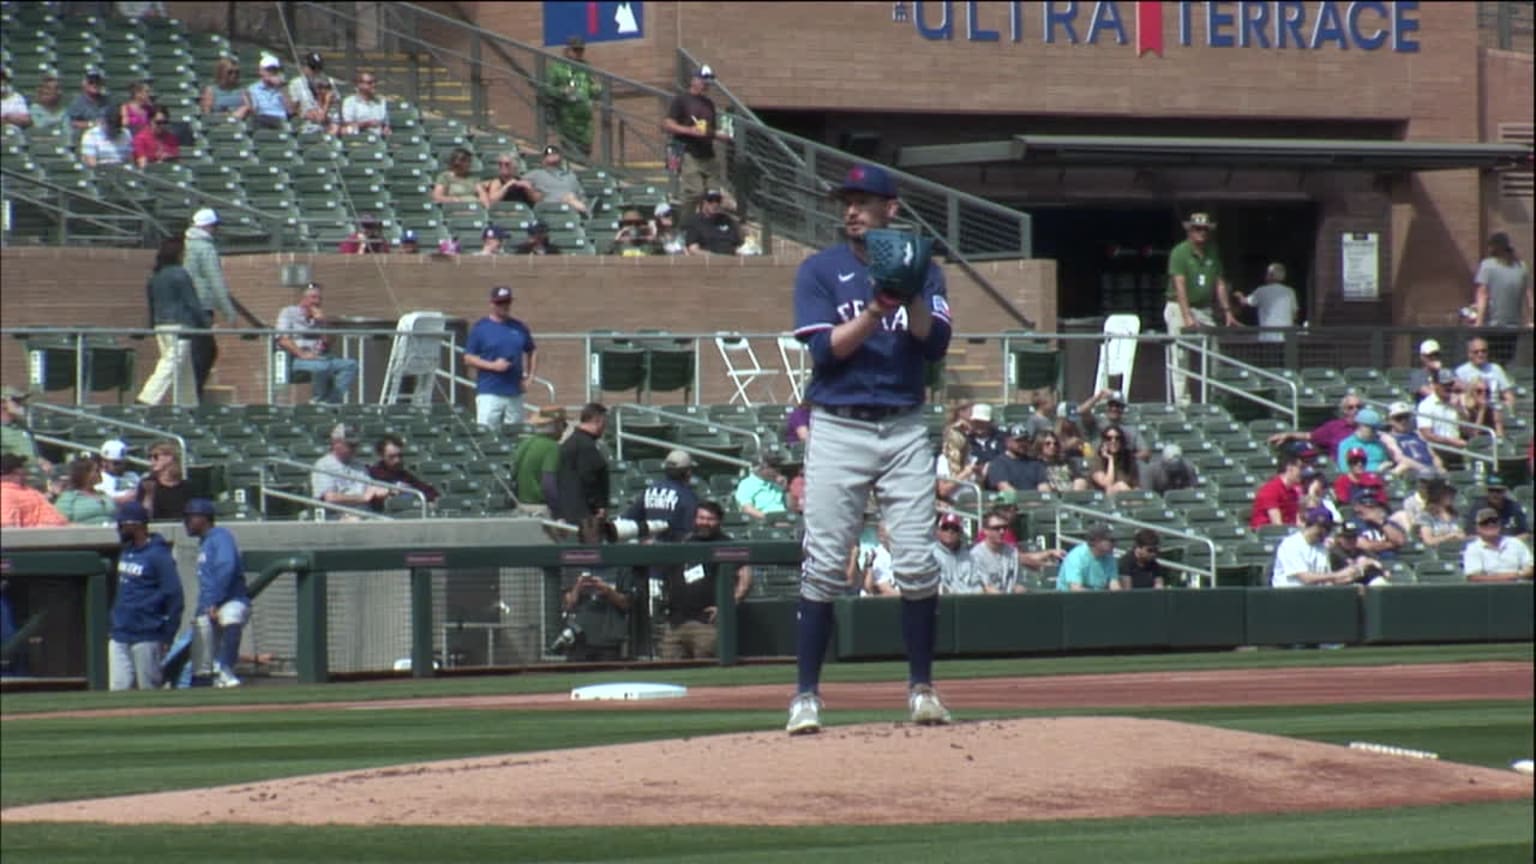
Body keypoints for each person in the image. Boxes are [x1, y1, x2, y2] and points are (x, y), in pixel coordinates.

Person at [787, 163, 954, 735]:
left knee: (916, 562)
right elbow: (825, 352)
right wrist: (878, 308)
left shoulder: (922, 266)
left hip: (904, 424)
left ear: (892, 208)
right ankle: (805, 695)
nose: (852, 210)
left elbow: (935, 346)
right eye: (847, 201)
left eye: (864, 200)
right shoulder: (820, 270)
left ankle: (923, 689)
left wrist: (910, 298)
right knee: (825, 564)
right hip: (838, 424)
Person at [661, 501, 752, 659]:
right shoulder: (684, 542)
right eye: (701, 518)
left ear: (719, 521)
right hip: (676, 622)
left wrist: (727, 605)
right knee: (669, 669)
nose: (705, 523)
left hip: (706, 623)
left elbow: (746, 578)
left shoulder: (727, 544)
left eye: (710, 519)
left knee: (707, 667)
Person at [109, 501, 184, 691]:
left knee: (149, 687)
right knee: (118, 687)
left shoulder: (159, 555)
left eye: (123, 524)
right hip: (120, 631)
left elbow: (174, 595)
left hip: (147, 632)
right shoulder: (126, 551)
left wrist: (168, 635)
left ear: (136, 525)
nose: (119, 529)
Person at [1165, 212, 1236, 405]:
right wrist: (1187, 316)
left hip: (1204, 308)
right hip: (1179, 306)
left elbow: (1219, 283)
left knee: (1213, 350)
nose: (1201, 233)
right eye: (1197, 229)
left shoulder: (1213, 251)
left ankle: (1214, 398)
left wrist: (1227, 311)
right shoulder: (1179, 252)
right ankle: (1183, 402)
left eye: (1204, 229)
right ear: (1189, 230)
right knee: (1181, 353)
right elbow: (1179, 284)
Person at [183, 498, 249, 688]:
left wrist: (216, 601)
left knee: (231, 617)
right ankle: (212, 681)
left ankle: (226, 670)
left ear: (203, 518)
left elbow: (226, 567)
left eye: (190, 517)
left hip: (229, 599)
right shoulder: (204, 542)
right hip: (208, 604)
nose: (186, 522)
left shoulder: (220, 536)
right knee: (200, 663)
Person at [136, 235, 204, 407]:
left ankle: (189, 404)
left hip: (161, 325)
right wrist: (204, 321)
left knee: (183, 367)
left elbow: (152, 304)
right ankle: (147, 398)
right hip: (179, 325)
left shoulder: (156, 276)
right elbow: (192, 301)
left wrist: (150, 325)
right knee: (171, 363)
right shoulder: (180, 274)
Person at [463, 285, 537, 428]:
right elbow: (468, 358)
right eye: (500, 302)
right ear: (492, 304)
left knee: (515, 434)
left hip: (514, 391)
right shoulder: (481, 328)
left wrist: (530, 377)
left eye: (507, 302)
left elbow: (532, 350)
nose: (504, 306)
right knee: (487, 434)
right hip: (490, 391)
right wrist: (493, 366)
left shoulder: (519, 327)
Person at [662, 64, 732, 213]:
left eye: (708, 82)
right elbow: (668, 124)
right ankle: (685, 226)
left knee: (714, 195)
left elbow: (708, 130)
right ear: (694, 80)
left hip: (708, 154)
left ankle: (708, 225)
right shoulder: (681, 100)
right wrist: (689, 130)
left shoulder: (709, 104)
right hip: (688, 152)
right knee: (695, 192)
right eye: (703, 81)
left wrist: (718, 134)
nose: (706, 85)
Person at [183, 208, 237, 402]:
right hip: (201, 306)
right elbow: (216, 281)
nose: (215, 230)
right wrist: (229, 312)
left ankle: (191, 395)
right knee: (204, 352)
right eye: (214, 226)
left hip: (185, 306)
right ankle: (193, 397)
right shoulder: (205, 248)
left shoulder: (185, 244)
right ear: (208, 226)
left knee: (195, 351)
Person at [275, 282, 360, 404]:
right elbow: (283, 339)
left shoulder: (320, 318)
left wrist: (324, 323)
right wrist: (302, 354)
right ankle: (318, 399)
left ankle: (330, 402)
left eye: (319, 298)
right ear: (304, 299)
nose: (317, 301)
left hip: (320, 357)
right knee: (322, 367)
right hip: (296, 359)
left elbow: (329, 341)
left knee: (351, 365)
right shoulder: (288, 313)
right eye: (313, 298)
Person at [1470, 232, 1532, 365]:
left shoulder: (1488, 265)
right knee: (1505, 361)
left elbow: (1482, 294)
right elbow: (1527, 296)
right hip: (1513, 325)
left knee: (1487, 363)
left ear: (1495, 247)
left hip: (1491, 325)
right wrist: (1529, 321)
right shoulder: (1522, 267)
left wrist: (1478, 323)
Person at [1271, 508, 1370, 588]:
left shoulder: (1321, 547)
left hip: (1314, 596)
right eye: (1324, 528)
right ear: (1314, 526)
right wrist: (1339, 574)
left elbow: (1325, 580)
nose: (1327, 532)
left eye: (1328, 528)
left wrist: (1352, 574)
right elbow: (1306, 578)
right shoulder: (1291, 544)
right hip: (1288, 596)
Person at [542, 36, 602, 158]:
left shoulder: (585, 68)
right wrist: (562, 91)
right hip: (568, 116)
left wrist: (596, 90)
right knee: (571, 151)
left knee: (586, 151)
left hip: (585, 118)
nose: (578, 53)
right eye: (575, 50)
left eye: (581, 50)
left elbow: (594, 86)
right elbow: (547, 88)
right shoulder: (557, 68)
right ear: (567, 50)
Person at [559, 564, 635, 661]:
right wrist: (579, 587)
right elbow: (568, 605)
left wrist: (607, 591)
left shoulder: (622, 566)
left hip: (609, 641)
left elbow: (626, 604)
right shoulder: (573, 562)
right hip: (578, 639)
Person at [622, 449, 699, 543]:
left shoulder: (650, 490)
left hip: (648, 549)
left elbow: (628, 519)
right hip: (674, 551)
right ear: (688, 472)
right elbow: (688, 532)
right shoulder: (687, 496)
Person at [311, 424, 390, 515]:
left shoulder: (360, 466)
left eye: (356, 445)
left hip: (365, 514)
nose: (354, 449)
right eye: (350, 445)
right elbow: (330, 498)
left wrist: (379, 491)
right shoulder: (323, 465)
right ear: (336, 443)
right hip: (337, 516)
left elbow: (369, 489)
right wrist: (363, 497)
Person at [553, 402, 610, 527]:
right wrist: (598, 506)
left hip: (569, 512)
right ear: (597, 420)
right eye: (603, 423)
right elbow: (589, 478)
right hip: (585, 516)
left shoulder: (570, 442)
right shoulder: (586, 446)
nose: (604, 428)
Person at [1268, 393, 1366, 458]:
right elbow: (1310, 436)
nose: (1355, 410)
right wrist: (1289, 435)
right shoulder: (1333, 427)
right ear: (1344, 410)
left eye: (1359, 407)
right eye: (1350, 407)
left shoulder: (1368, 427)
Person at [510, 409, 565, 517]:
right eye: (563, 425)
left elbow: (513, 473)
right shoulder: (552, 447)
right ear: (556, 426)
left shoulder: (524, 443)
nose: (563, 429)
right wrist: (558, 509)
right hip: (541, 508)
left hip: (521, 506)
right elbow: (548, 483)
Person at [366, 434, 440, 511]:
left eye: (400, 456)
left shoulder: (404, 475)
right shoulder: (372, 475)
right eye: (392, 456)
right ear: (381, 456)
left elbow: (430, 492)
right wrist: (390, 492)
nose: (397, 460)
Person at [1462, 507, 1535, 582]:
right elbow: (1474, 577)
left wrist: (1517, 575)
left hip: (1519, 589)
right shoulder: (1473, 548)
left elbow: (1531, 568)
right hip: (1488, 591)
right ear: (1477, 528)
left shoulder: (1515, 543)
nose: (1490, 524)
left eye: (1494, 521)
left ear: (1500, 524)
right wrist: (1514, 576)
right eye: (1485, 523)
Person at [1233, 262, 1298, 343]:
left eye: (1267, 273)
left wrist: (1239, 295)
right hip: (1287, 338)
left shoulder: (1262, 291)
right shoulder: (1290, 292)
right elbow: (1294, 313)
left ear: (1270, 275)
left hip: (1267, 337)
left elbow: (1245, 302)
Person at [0, 453, 68, 528]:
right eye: (20, 467)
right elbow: (7, 530)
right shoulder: (5, 495)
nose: (25, 471)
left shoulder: (27, 491)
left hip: (57, 534)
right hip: (39, 537)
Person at [1078, 390, 1148, 461]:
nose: (1114, 408)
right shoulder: (1097, 422)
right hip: (1098, 465)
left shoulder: (1131, 429)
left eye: (1118, 406)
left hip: (1122, 468)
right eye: (1111, 405)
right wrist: (1099, 396)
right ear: (1107, 406)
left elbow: (1145, 453)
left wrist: (1125, 459)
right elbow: (1082, 411)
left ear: (1123, 408)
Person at [1453, 337, 1516, 413]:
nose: (1480, 354)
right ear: (1469, 354)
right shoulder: (1461, 371)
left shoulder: (1496, 369)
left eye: (1484, 351)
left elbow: (1508, 394)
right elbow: (1458, 395)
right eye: (1476, 352)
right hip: (1472, 411)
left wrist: (1507, 406)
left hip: (1494, 410)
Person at [521, 144, 589, 214]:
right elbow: (521, 184)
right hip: (547, 209)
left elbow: (581, 196)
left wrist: (572, 199)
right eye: (549, 154)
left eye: (555, 153)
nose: (552, 154)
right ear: (543, 159)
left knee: (572, 198)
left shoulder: (570, 176)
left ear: (561, 158)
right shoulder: (535, 174)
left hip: (571, 210)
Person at [1381, 401, 1443, 476]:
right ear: (1390, 421)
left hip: (1430, 469)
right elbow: (1400, 458)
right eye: (1399, 418)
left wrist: (1439, 468)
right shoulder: (1389, 437)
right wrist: (1424, 469)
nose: (1403, 421)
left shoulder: (1418, 434)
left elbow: (1433, 455)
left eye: (1406, 417)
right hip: (1411, 472)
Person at [1462, 477, 1530, 541]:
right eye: (1491, 491)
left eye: (1498, 491)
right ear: (1487, 491)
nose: (1495, 494)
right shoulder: (1478, 507)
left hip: (1510, 546)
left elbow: (1525, 533)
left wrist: (1508, 543)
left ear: (1505, 492)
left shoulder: (1514, 507)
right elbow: (1469, 534)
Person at [136, 439, 190, 520]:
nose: (152, 460)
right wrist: (149, 495)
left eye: (155, 456)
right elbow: (144, 516)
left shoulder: (185, 486)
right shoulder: (147, 483)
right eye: (149, 457)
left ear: (170, 457)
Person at [1416, 369, 1467, 452]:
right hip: (1435, 449)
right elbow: (1426, 434)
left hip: (1457, 449)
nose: (1448, 387)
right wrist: (1451, 442)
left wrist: (1460, 409)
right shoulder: (1426, 405)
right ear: (1435, 385)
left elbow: (1467, 430)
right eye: (1444, 384)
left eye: (1450, 384)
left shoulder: (1456, 403)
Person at [1056, 524, 1119, 591]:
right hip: (1069, 599)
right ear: (1096, 541)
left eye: (1115, 540)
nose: (1115, 543)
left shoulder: (1109, 557)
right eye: (1111, 540)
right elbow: (1075, 589)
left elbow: (1114, 585)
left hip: (1098, 598)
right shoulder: (1076, 557)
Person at [53, 456, 114, 525]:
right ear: (84, 474)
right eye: (96, 471)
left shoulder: (103, 495)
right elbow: (61, 523)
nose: (100, 473)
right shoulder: (68, 498)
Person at [982, 425, 1041, 493]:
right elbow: (1005, 488)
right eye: (1018, 440)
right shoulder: (998, 464)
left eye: (1025, 440)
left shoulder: (1035, 463)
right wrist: (1027, 501)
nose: (1023, 443)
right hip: (1012, 502)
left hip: (1036, 501)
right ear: (1007, 442)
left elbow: (1044, 487)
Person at [1251, 455, 1304, 530]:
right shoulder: (1271, 489)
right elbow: (1277, 524)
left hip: (1287, 533)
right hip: (1268, 535)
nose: (1302, 472)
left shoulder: (1293, 492)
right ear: (1290, 468)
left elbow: (1297, 521)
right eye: (1300, 468)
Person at [1349, 492, 1405, 562]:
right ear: (1356, 507)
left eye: (1373, 504)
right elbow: (1365, 546)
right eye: (1365, 504)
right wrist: (1391, 544)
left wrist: (1381, 522)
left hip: (1392, 561)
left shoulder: (1387, 523)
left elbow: (1400, 540)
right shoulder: (1352, 524)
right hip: (1369, 563)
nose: (1370, 508)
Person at [684, 190, 744, 255]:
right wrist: (715, 258)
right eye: (710, 200)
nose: (714, 204)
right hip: (709, 261)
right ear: (704, 203)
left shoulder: (727, 220)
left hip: (730, 260)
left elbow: (738, 244)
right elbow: (693, 249)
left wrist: (729, 211)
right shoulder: (695, 221)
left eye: (717, 200)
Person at [934, 513, 982, 594]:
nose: (950, 531)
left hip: (968, 602)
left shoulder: (969, 557)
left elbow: (977, 586)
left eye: (955, 528)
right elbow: (938, 588)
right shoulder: (931, 555)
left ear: (960, 533)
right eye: (945, 527)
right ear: (938, 531)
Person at [1411, 479, 1465, 549]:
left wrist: (1460, 536)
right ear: (1437, 495)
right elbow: (1428, 541)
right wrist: (1447, 537)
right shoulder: (1425, 516)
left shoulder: (1455, 515)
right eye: (1446, 494)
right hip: (1436, 553)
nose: (1451, 496)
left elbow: (1462, 534)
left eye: (1451, 494)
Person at [1334, 408, 1390, 473]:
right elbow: (1345, 470)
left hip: (1381, 479)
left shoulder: (1379, 444)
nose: (1375, 431)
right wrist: (1376, 470)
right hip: (1359, 481)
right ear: (1360, 425)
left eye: (1376, 428)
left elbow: (1386, 463)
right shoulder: (1346, 444)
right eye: (1372, 428)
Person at [247, 54, 294, 129]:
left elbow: (291, 111)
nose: (271, 73)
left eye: (274, 70)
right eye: (268, 70)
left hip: (281, 121)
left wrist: (281, 88)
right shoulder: (253, 89)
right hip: (262, 121)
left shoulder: (284, 88)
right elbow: (253, 111)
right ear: (261, 71)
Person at [286, 51, 329, 134]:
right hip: (304, 123)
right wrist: (303, 114)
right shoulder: (296, 83)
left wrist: (324, 109)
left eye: (318, 68)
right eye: (312, 67)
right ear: (305, 67)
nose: (315, 71)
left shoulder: (326, 83)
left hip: (323, 123)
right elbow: (293, 108)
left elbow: (329, 106)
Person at [735, 455, 790, 520]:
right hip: (763, 523)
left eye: (778, 466)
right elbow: (747, 509)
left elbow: (791, 508)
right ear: (761, 468)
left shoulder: (777, 483)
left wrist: (786, 490)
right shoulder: (746, 484)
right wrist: (771, 519)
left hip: (785, 519)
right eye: (773, 466)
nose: (777, 469)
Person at [1089, 426, 1139, 496]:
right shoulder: (1097, 459)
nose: (1113, 441)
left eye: (1117, 438)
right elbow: (1107, 484)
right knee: (1120, 486)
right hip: (1102, 499)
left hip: (1125, 499)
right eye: (1109, 438)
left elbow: (1135, 486)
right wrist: (1110, 459)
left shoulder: (1128, 458)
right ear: (1104, 441)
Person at [340, 69, 390, 136]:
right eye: (370, 83)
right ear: (359, 85)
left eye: (375, 82)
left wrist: (386, 129)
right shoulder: (350, 102)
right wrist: (367, 124)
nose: (374, 85)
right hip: (358, 137)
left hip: (379, 139)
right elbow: (348, 124)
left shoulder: (381, 102)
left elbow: (385, 124)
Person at [95, 439, 141, 504]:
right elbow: (105, 501)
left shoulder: (132, 475)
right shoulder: (99, 478)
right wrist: (126, 497)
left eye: (122, 462)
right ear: (104, 462)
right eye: (116, 463)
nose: (121, 466)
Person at [964, 403, 1006, 469]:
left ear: (990, 422)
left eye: (983, 422)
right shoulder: (966, 441)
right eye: (977, 422)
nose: (979, 425)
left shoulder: (1001, 439)